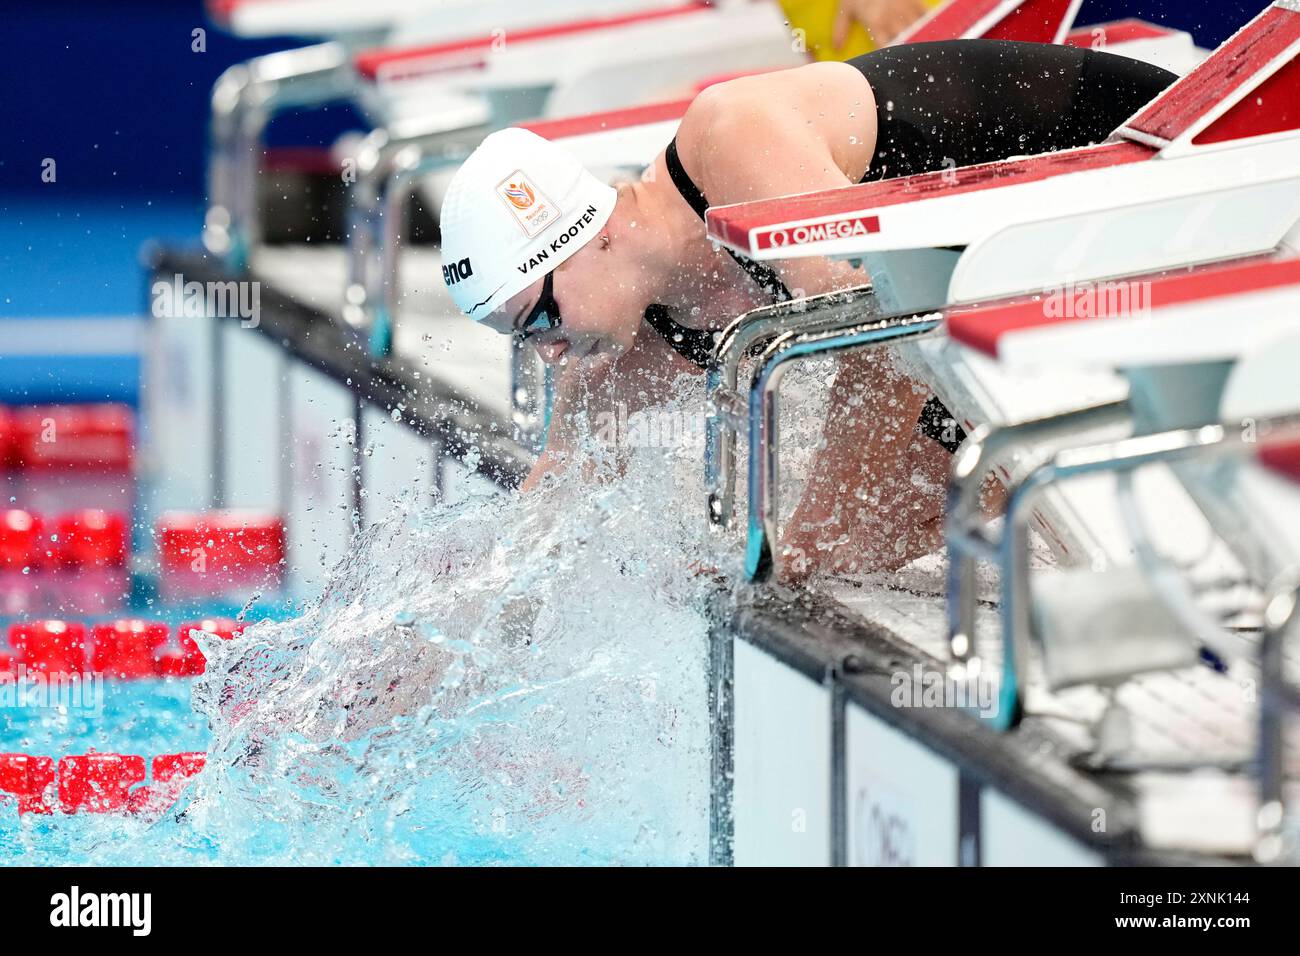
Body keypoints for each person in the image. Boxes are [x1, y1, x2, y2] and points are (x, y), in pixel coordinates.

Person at [438, 40, 1177, 581]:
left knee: (840, 543)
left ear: (585, 238)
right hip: (1018, 266)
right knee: (902, 516)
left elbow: (880, 331)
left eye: (536, 321)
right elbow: (549, 509)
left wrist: (798, 552)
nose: (549, 353)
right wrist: (436, 641)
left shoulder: (728, 136)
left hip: (1163, 164)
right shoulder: (628, 329)